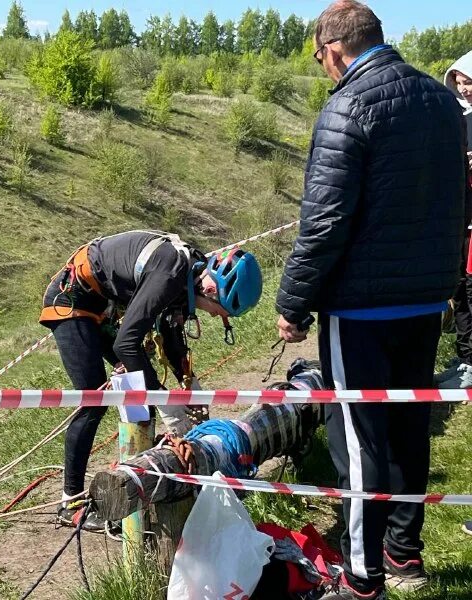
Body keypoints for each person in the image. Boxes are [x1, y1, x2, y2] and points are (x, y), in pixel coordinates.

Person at [274, 2, 468, 599]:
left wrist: (293, 302)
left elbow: (325, 221)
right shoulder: (441, 102)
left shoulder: (346, 107)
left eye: (318, 56)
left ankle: (362, 580)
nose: (322, 67)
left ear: (334, 48)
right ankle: (404, 556)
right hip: (425, 300)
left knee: (357, 440)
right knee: (409, 425)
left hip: (358, 308)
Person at [39, 230, 262, 531]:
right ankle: (71, 503)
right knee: (94, 400)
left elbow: (171, 337)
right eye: (219, 311)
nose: (213, 316)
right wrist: (165, 402)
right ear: (211, 290)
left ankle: (140, 483)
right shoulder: (171, 272)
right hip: (72, 302)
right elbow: (125, 344)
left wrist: (189, 388)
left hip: (102, 306)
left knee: (137, 387)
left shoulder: (187, 274)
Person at [437, 51, 472, 389]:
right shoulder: (460, 119)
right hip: (463, 219)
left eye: (470, 81)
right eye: (459, 83)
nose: (465, 89)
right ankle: (465, 359)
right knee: (460, 288)